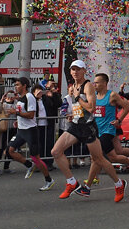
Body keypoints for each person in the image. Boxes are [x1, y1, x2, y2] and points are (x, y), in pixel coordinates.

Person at [52, 60, 124, 200]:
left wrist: (78, 97)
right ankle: (71, 182)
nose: (75, 72)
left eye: (78, 69)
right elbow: (81, 109)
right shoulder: (73, 86)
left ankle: (119, 183)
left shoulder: (88, 86)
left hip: (88, 128)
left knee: (99, 159)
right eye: (73, 69)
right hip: (76, 125)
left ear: (84, 71)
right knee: (55, 151)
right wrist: (73, 115)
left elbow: (91, 108)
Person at [6, 76, 53, 189]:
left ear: (24, 85)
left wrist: (16, 113)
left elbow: (31, 115)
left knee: (35, 157)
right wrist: (18, 120)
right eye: (15, 85)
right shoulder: (21, 98)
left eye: (17, 85)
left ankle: (49, 180)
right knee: (9, 151)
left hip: (31, 131)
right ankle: (29, 165)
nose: (15, 87)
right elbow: (22, 112)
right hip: (21, 130)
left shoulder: (30, 97)